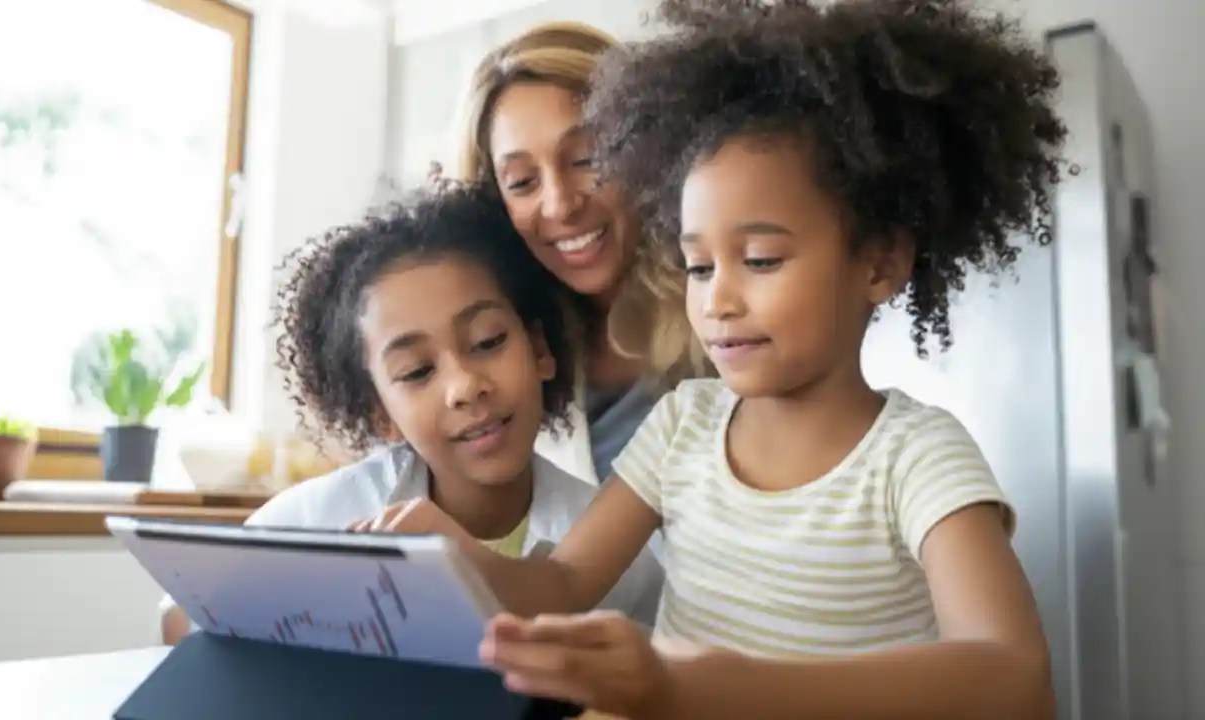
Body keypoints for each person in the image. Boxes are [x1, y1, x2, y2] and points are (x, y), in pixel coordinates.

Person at [361, 1, 1069, 717]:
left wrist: (688, 686)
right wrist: (452, 558)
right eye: (697, 267)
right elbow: (563, 584)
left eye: (759, 259)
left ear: (880, 262)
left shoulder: (915, 458)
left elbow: (1014, 676)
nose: (718, 301)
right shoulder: (683, 425)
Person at [159, 184, 663, 644]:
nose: (464, 387)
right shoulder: (319, 519)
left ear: (539, 350)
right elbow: (178, 618)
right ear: (382, 414)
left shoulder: (615, 548)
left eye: (488, 342)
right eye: (418, 371)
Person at [453, 21, 706, 487]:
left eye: (587, 159)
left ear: (651, 146)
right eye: (523, 183)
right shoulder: (518, 353)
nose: (561, 204)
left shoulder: (726, 311)